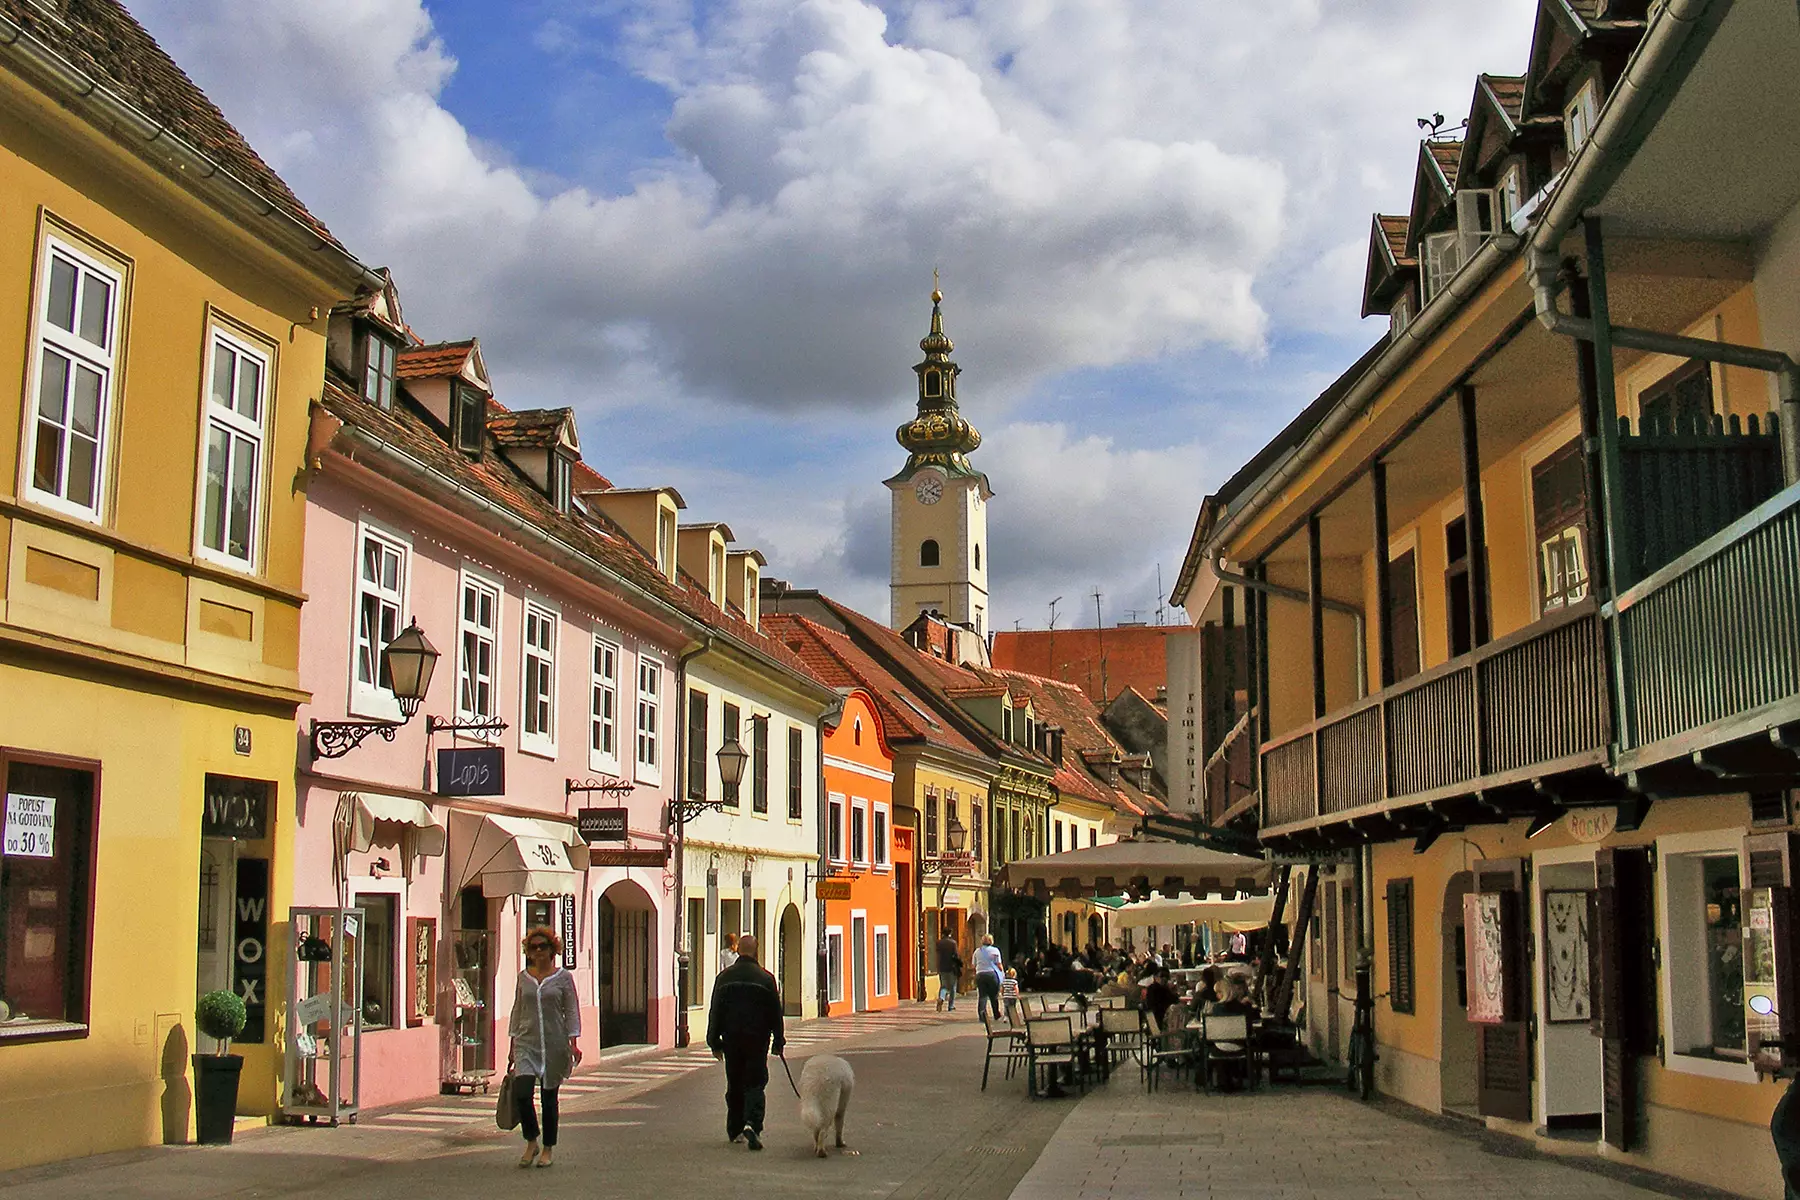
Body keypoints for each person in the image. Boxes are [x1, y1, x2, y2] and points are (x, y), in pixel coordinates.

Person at [508, 926, 582, 1168]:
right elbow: (517, 1010)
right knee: (522, 1093)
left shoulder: (562, 978)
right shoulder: (523, 978)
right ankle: (532, 1140)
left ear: (553, 950)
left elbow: (571, 1009)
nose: (538, 951)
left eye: (543, 947)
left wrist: (573, 1041)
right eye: (533, 947)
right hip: (526, 1043)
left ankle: (548, 1148)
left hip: (553, 1044)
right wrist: (512, 1042)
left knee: (549, 1099)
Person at [706, 933, 785, 1151]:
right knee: (755, 1083)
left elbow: (716, 1010)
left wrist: (713, 1041)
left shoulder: (724, 978)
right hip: (757, 1039)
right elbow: (775, 1014)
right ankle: (753, 1124)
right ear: (756, 951)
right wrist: (778, 1041)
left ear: (739, 950)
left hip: (732, 1039)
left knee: (734, 1083)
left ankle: (735, 1129)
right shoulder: (765, 979)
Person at [972, 933, 1004, 1022]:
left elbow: (974, 965)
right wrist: (1002, 974)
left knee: (982, 996)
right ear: (991, 941)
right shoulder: (995, 951)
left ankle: (982, 1016)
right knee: (994, 996)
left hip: (980, 974)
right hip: (992, 974)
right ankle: (996, 1014)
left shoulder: (977, 951)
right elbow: (999, 965)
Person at [935, 931, 962, 1012]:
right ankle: (951, 1006)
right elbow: (956, 955)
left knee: (943, 985)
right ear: (950, 934)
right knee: (953, 987)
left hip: (942, 967)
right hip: (951, 967)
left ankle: (941, 998)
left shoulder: (939, 943)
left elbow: (937, 954)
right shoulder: (953, 943)